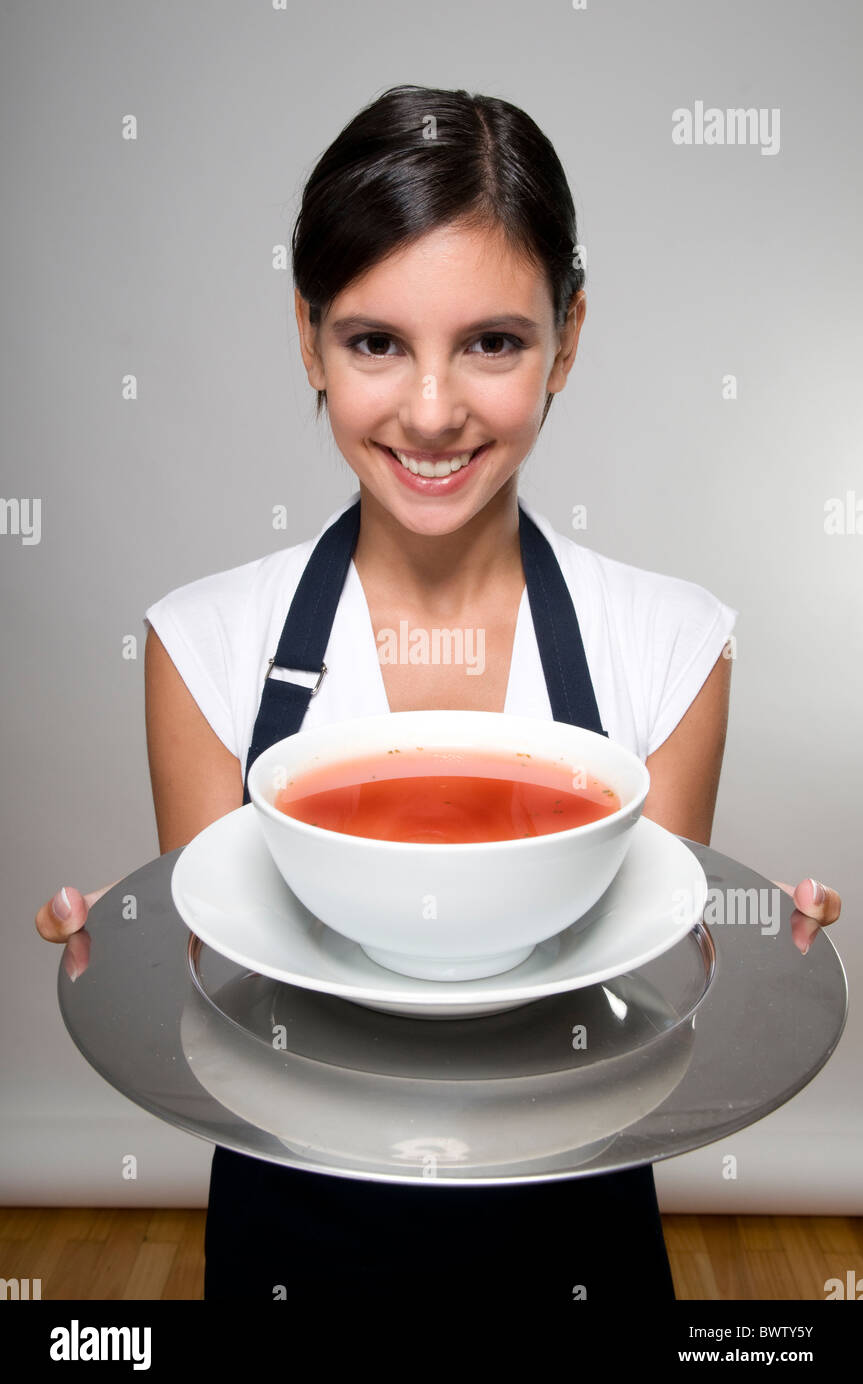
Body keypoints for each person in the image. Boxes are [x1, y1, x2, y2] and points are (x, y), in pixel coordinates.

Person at [35, 84, 841, 1308]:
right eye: (374, 342)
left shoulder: (674, 644)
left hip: (575, 1225)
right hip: (291, 1225)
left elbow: (642, 994)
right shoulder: (202, 642)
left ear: (567, 337)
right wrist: (127, 948)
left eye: (491, 342)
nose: (429, 410)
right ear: (305, 336)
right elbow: (229, 993)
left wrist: (753, 947)